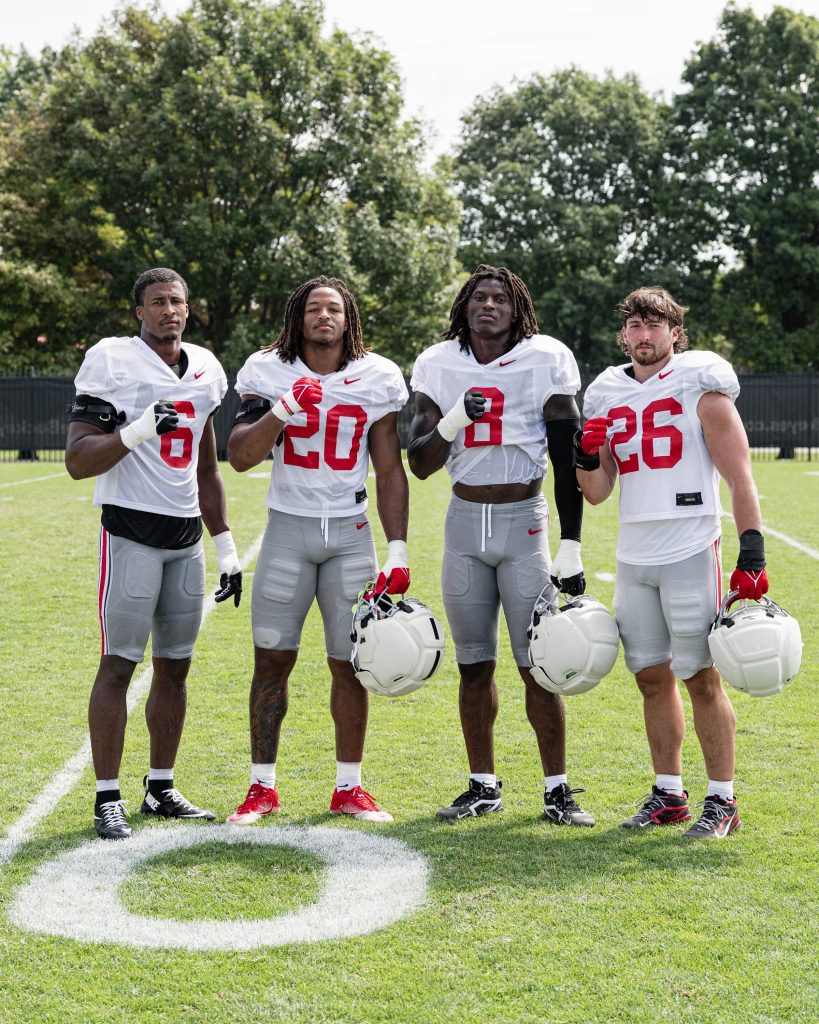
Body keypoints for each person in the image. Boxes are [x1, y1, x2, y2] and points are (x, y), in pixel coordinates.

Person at [576, 286, 769, 839]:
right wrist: (587, 454)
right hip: (634, 552)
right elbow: (596, 492)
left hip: (690, 546)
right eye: (635, 326)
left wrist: (750, 550)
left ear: (675, 334)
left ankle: (723, 801)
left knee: (700, 676)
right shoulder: (607, 392)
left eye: (655, 325)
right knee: (650, 677)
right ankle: (668, 793)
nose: (644, 335)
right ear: (624, 334)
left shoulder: (702, 386)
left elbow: (740, 478)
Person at [408, 264, 595, 826]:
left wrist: (573, 544)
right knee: (473, 666)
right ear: (464, 307)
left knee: (539, 665)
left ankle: (558, 790)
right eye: (479, 298)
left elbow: (566, 458)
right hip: (464, 522)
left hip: (524, 522)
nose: (488, 305)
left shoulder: (546, 357)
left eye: (500, 299)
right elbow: (418, 463)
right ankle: (482, 784)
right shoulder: (438, 364)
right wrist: (455, 420)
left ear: (517, 311)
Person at [65, 267, 243, 841]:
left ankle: (161, 786)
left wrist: (226, 546)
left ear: (188, 310)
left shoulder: (207, 370)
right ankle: (107, 797)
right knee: (119, 664)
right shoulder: (113, 361)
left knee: (176, 667)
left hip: (185, 541)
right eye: (158, 302)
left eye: (178, 302)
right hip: (131, 534)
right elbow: (77, 460)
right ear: (138, 311)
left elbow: (207, 468)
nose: (170, 310)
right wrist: (137, 430)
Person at [226, 275, 409, 825]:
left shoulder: (376, 375)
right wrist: (281, 410)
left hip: (350, 535)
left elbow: (388, 468)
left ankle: (349, 786)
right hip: (287, 531)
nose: (323, 317)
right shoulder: (267, 369)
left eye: (334, 309)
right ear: (297, 318)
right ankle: (262, 787)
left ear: (348, 318)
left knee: (351, 664)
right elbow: (238, 455)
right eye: (313, 309)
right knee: (272, 659)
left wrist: (396, 548)